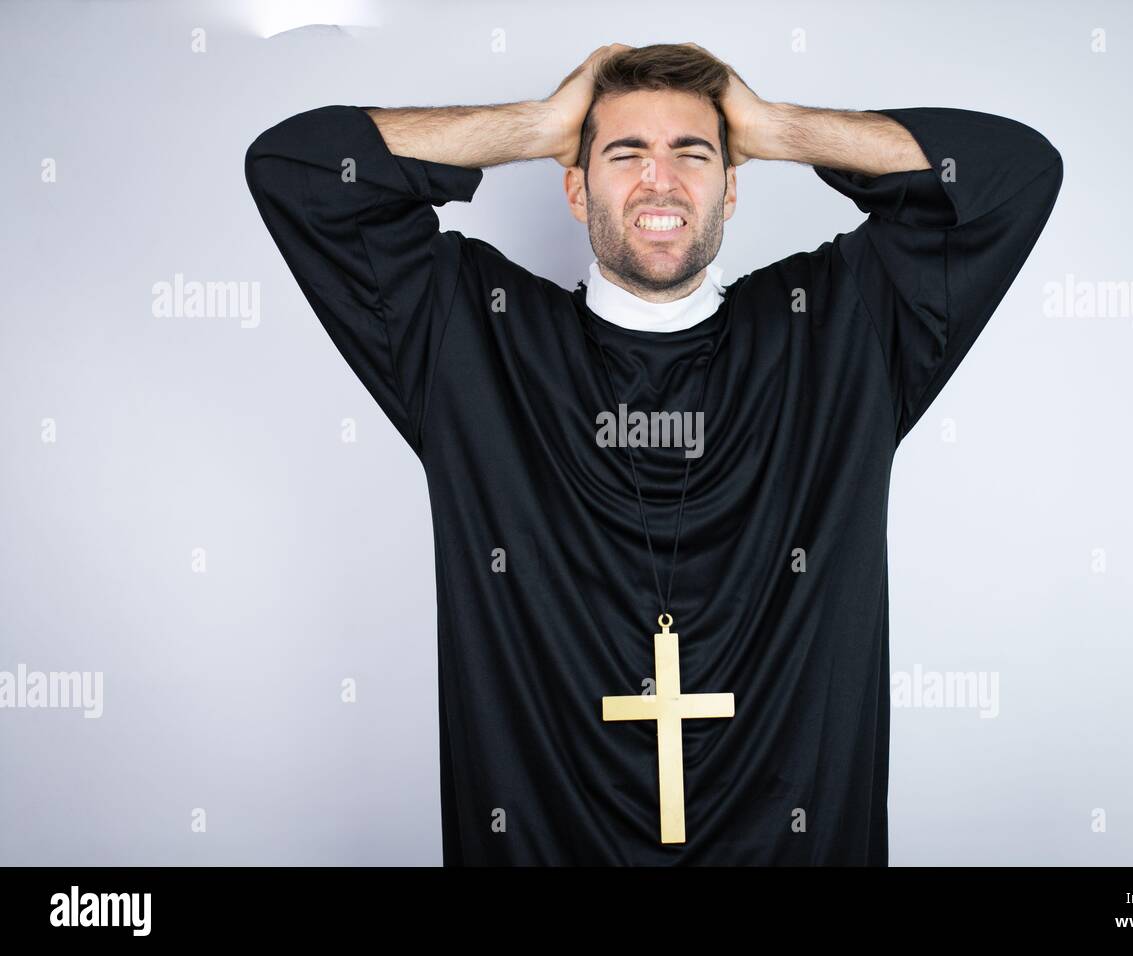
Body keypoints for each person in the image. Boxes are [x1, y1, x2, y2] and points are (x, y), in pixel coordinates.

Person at [244, 42, 1064, 865]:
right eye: (625, 153)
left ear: (732, 187)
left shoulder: (842, 329)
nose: (659, 180)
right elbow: (298, 170)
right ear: (575, 188)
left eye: (693, 154)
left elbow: (1013, 174)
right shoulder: (473, 338)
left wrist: (779, 127)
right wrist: (536, 124)